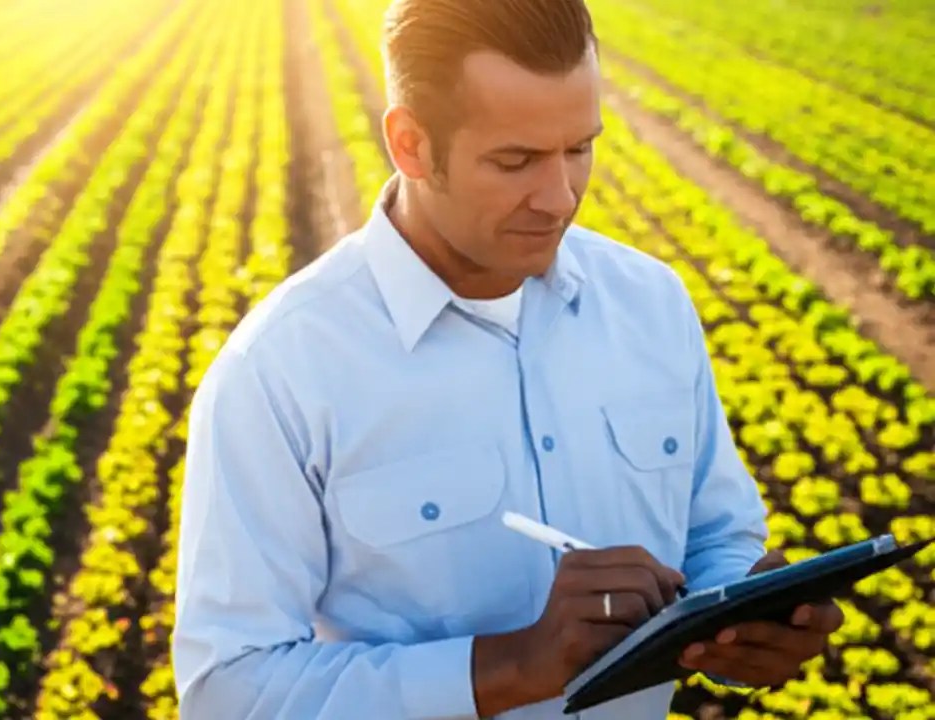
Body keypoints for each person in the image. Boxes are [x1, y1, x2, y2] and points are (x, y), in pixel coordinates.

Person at [171, 0, 845, 716]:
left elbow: (716, 532)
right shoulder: (282, 370)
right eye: (515, 160)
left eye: (579, 148)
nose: (559, 198)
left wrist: (740, 624)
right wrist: (510, 667)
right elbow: (229, 691)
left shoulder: (651, 302)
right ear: (410, 144)